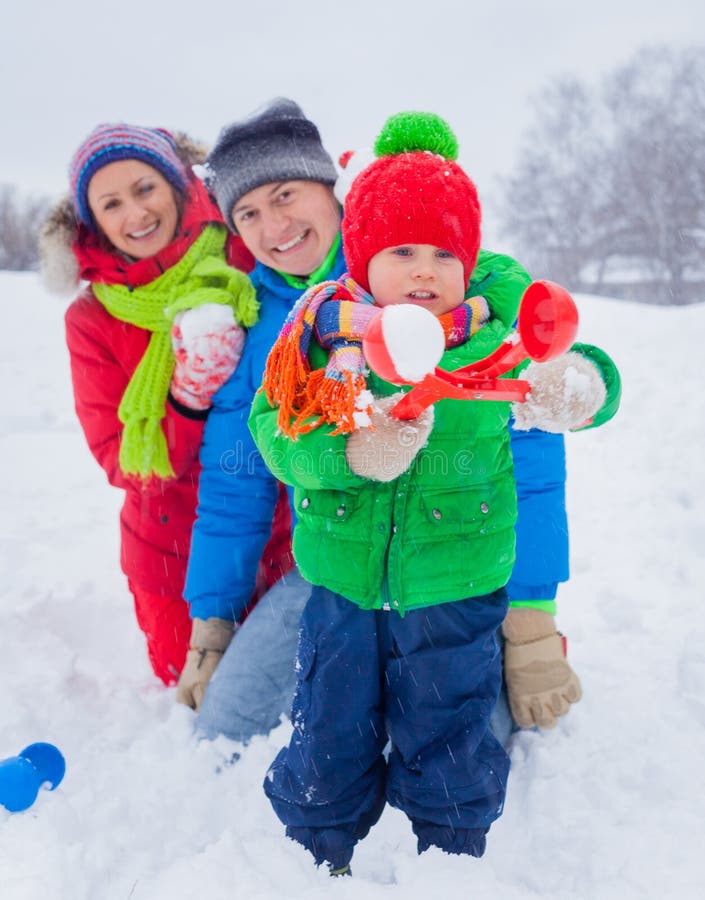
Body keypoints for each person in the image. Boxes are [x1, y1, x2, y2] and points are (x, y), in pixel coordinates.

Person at [248, 111, 621, 874]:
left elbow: (584, 369)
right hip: (343, 581)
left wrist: (571, 386)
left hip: (456, 578)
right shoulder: (320, 333)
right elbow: (274, 433)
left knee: (448, 725)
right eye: (402, 252)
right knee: (329, 720)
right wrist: (349, 450)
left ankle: (448, 855)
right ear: (361, 256)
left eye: (443, 254)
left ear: (470, 258)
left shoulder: (497, 332)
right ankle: (319, 846)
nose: (424, 271)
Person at [177, 99, 541, 736]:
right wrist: (212, 625)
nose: (274, 225)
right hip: (336, 569)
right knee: (222, 731)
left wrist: (533, 616)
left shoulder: (432, 275)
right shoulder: (267, 325)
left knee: (469, 751)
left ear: (329, 189)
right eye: (249, 213)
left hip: (454, 566)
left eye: (286, 193)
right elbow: (239, 477)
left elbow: (529, 451)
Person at [38, 122, 285, 686]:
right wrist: (188, 396)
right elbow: (119, 459)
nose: (135, 214)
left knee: (297, 688)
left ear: (176, 185)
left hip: (279, 523)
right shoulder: (92, 320)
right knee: (200, 697)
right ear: (91, 220)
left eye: (145, 188)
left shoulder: (244, 256)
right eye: (111, 203)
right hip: (170, 546)